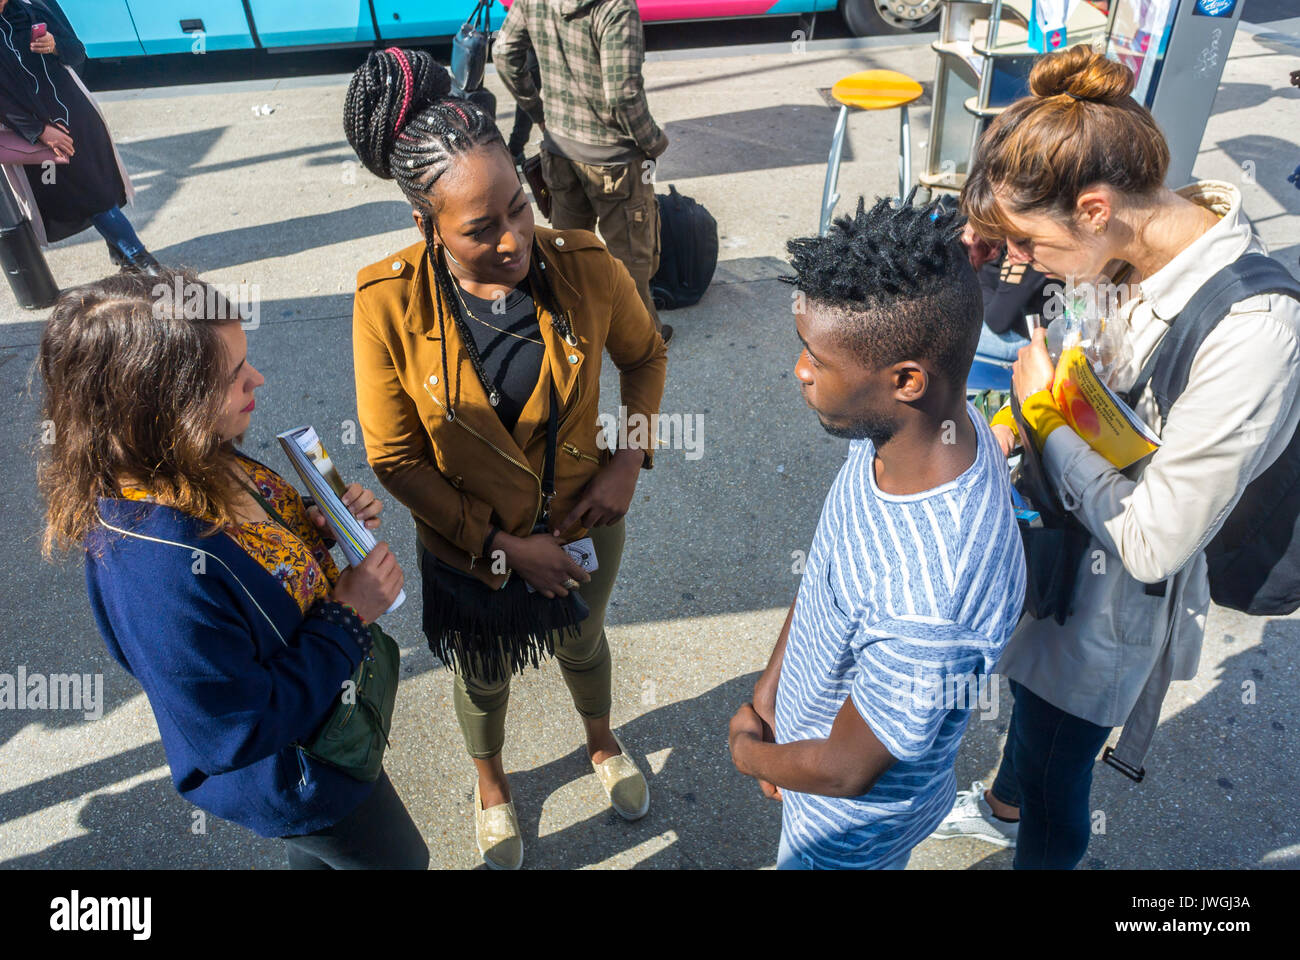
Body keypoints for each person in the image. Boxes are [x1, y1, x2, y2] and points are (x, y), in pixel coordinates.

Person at [933, 46, 1300, 868]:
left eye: (1033, 244)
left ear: (1094, 208)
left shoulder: (1255, 331)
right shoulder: (1131, 248)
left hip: (1113, 602)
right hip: (1062, 552)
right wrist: (1017, 426)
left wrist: (1043, 419)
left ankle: (1027, 830)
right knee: (1037, 721)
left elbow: (1154, 541)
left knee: (1062, 774)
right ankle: (1000, 802)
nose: (1028, 265)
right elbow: (1071, 364)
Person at [343, 48, 667, 870]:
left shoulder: (586, 266)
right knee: (483, 674)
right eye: (480, 229)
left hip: (586, 518)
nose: (514, 240)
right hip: (469, 545)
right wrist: (500, 545)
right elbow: (394, 457)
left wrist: (628, 459)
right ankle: (492, 786)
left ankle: (601, 743)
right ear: (427, 225)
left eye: (517, 207)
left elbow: (646, 356)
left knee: (583, 642)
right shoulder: (385, 304)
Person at [39, 269, 425, 869]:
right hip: (299, 772)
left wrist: (313, 531)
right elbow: (233, 731)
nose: (257, 379)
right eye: (231, 377)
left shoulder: (190, 453)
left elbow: (256, 558)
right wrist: (349, 616)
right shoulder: (156, 569)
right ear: (162, 406)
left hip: (321, 723)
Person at [727, 195, 1026, 870]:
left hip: (847, 832)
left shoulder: (932, 600)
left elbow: (844, 771)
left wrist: (751, 753)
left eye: (816, 358)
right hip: (806, 762)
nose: (801, 370)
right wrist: (769, 697)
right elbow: (828, 574)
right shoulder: (900, 437)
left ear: (907, 380)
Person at [493, 0, 673, 345]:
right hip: (615, 160)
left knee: (567, 252)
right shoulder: (615, 8)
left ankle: (573, 331)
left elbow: (503, 53)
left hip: (560, 150)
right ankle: (640, 341)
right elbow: (622, 94)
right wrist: (653, 141)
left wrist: (538, 110)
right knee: (631, 258)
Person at [0, 0, 159, 273]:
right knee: (88, 191)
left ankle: (125, 254)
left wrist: (55, 45)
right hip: (31, 128)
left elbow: (77, 53)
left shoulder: (37, 5)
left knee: (97, 184)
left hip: (77, 114)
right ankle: (140, 258)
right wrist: (38, 131)